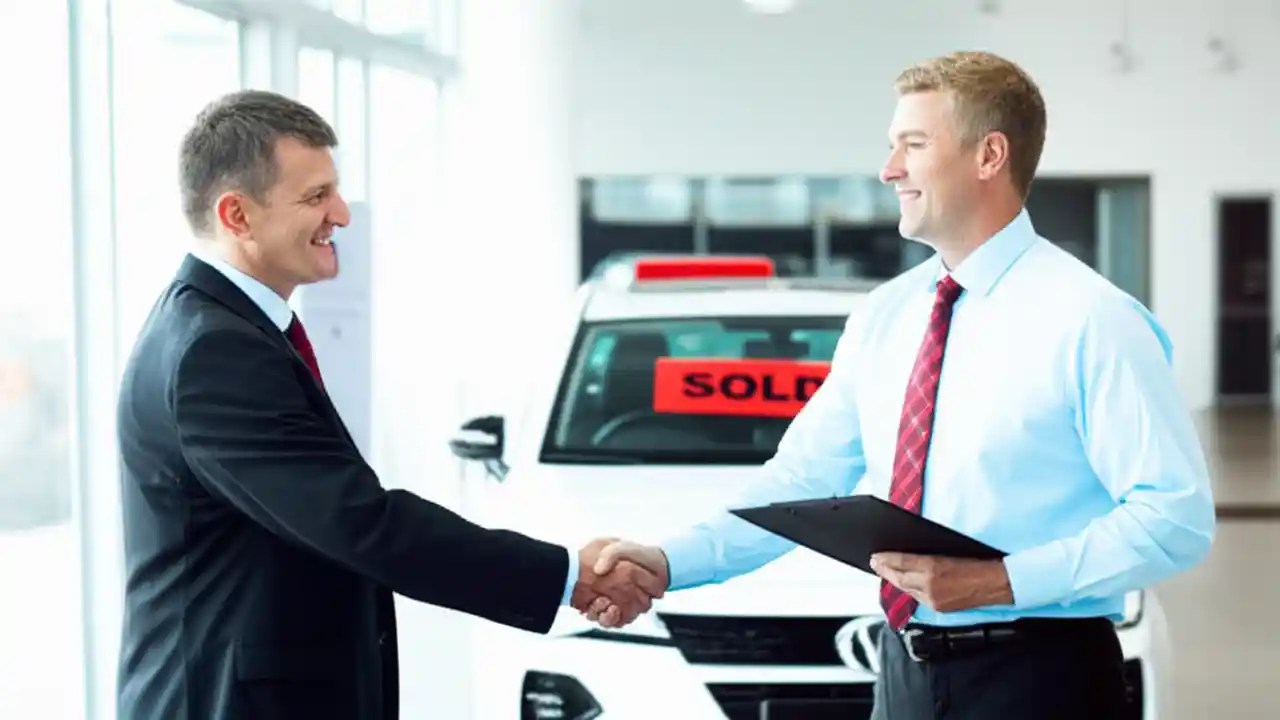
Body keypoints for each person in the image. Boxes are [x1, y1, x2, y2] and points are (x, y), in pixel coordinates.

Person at [584, 50, 1216, 719]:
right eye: (892, 147)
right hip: (904, 674)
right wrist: (665, 561)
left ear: (989, 155)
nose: (889, 171)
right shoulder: (888, 314)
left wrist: (1000, 582)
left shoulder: (1094, 320)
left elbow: (1174, 517)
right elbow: (800, 481)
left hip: (1042, 679)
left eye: (913, 145)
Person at [114, 90, 663, 720]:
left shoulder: (224, 328)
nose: (342, 214)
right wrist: (567, 576)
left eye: (335, 190)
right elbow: (360, 523)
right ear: (237, 215)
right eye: (315, 196)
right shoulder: (216, 352)